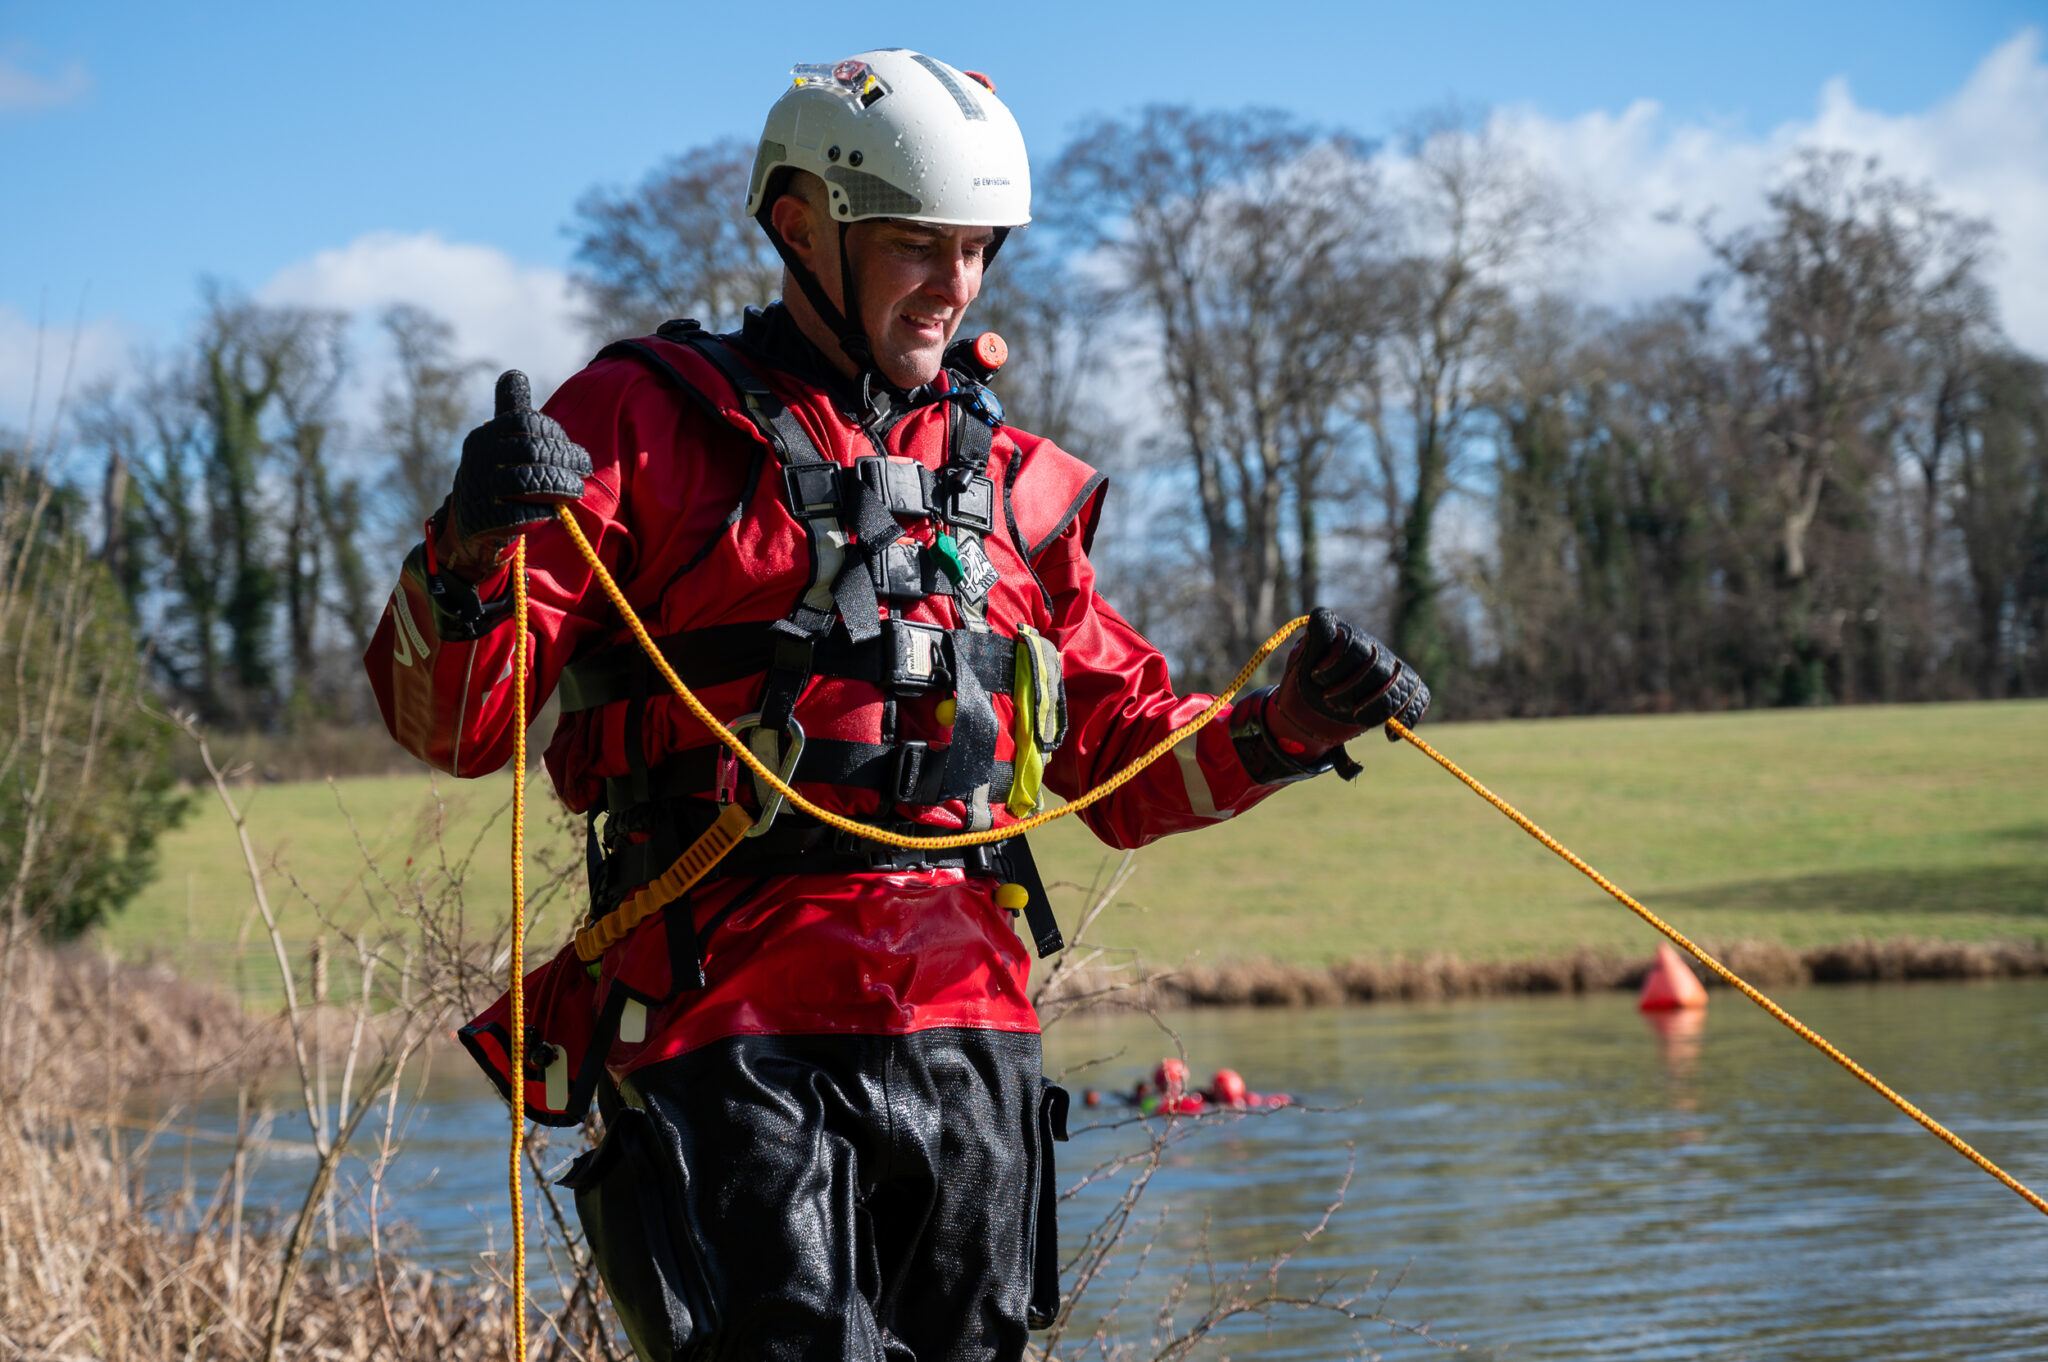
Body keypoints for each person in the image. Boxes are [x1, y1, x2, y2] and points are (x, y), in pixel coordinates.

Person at [364, 48, 1427, 1362]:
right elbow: (454, 729)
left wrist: (1289, 726)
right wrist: (466, 551)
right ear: (804, 226)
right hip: (728, 1018)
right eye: (923, 245)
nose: (958, 283)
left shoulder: (1016, 490)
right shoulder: (638, 426)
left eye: (979, 247)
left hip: (974, 1025)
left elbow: (1126, 762)